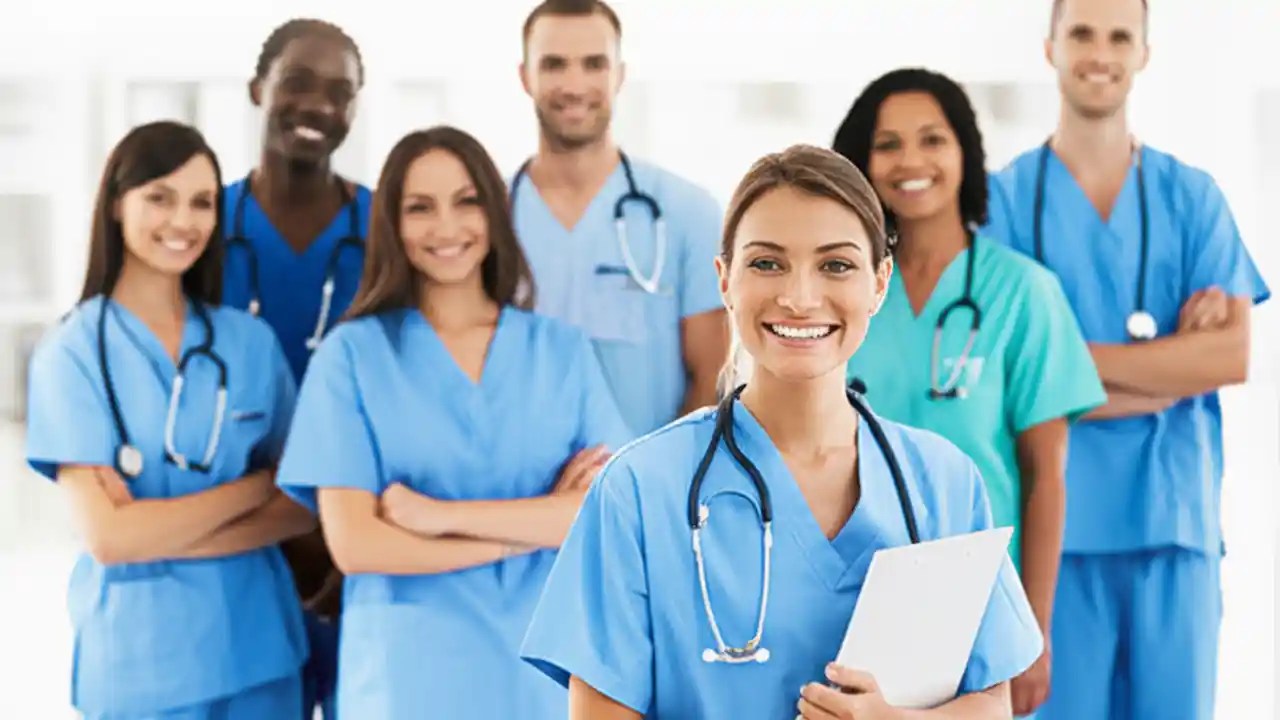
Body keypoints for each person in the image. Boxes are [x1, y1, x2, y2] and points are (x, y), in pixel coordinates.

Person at [519, 144, 1044, 719]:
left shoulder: (943, 481)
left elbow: (992, 701)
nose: (798, 297)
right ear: (724, 280)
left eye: (836, 265)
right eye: (767, 263)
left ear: (879, 282)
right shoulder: (639, 490)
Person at [274, 125, 632, 718]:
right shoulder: (354, 356)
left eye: (466, 202)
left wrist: (439, 518)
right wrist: (524, 531)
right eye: (420, 208)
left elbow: (607, 517)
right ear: (392, 223)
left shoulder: (560, 351)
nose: (446, 228)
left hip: (538, 678)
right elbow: (357, 544)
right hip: (406, 677)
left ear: (493, 213)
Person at [981, 1, 1271, 718]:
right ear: (1050, 48)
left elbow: (1231, 356)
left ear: (1145, 53)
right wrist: (1166, 369)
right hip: (1056, 541)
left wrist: (1066, 366)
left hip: (1173, 525)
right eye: (1082, 33)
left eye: (1119, 36)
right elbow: (1009, 378)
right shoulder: (1006, 200)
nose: (1099, 52)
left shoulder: (1192, 198)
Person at [831, 68, 1107, 717]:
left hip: (981, 600)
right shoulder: (843, 291)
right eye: (888, 144)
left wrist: (1033, 632)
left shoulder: (1024, 293)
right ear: (861, 162)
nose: (911, 162)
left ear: (965, 153)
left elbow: (1045, 477)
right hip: (850, 590)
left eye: (933, 139)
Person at [24, 121, 312, 719]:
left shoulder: (249, 344)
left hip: (260, 658)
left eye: (202, 202)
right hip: (139, 668)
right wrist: (254, 488)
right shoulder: (74, 352)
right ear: (115, 205)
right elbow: (110, 538)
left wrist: (158, 531)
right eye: (160, 196)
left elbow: (303, 501)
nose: (183, 221)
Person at [221, 19, 373, 717]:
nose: (317, 105)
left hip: (359, 564)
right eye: (298, 83)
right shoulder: (199, 228)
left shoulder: (387, 232)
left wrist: (346, 550)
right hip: (237, 559)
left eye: (340, 92)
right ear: (259, 88)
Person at [511, 0, 728, 437]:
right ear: (525, 77)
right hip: (511, 493)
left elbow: (713, 378)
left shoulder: (687, 213)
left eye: (594, 64)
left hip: (645, 490)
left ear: (620, 75)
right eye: (554, 65)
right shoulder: (482, 219)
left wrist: (660, 482)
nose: (574, 85)